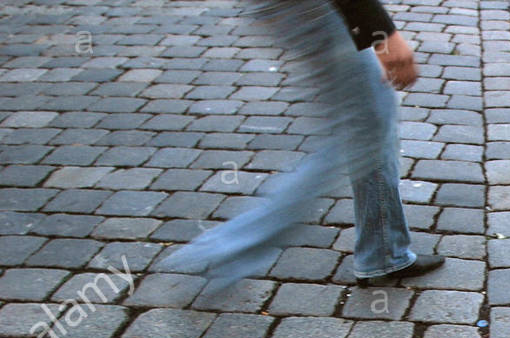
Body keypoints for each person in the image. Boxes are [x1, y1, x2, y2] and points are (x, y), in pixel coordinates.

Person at [163, 0, 443, 289]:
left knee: (369, 123)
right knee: (357, 130)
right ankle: (227, 247)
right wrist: (382, 33)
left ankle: (385, 252)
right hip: (314, 8)